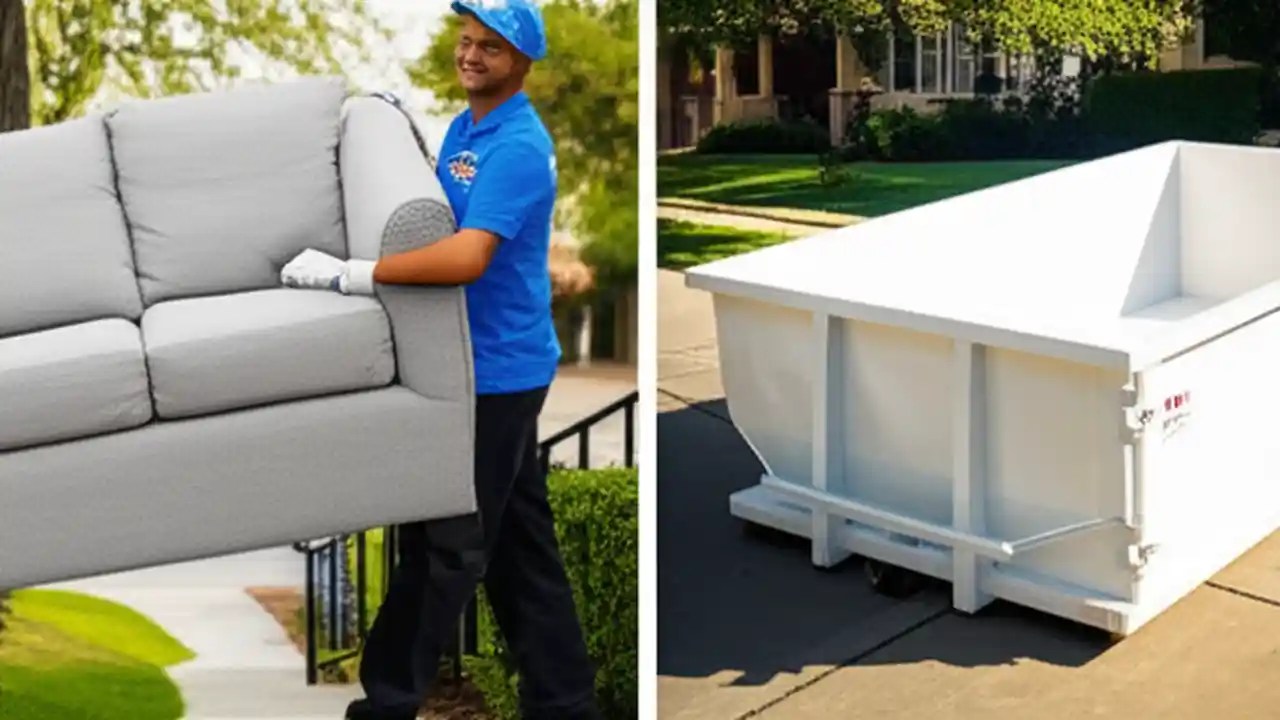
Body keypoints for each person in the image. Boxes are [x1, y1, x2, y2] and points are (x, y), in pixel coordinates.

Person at [279, 2, 600, 718]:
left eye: (489, 47)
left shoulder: (517, 145)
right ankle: (566, 704)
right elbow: (441, 207)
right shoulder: (468, 129)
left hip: (499, 373)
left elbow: (467, 255)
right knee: (519, 552)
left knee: (448, 543)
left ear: (521, 62)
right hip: (476, 364)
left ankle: (384, 706)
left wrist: (353, 274)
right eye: (465, 41)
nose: (471, 55)